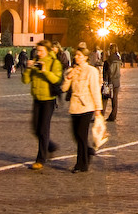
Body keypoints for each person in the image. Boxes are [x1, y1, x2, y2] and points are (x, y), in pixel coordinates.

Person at [60, 47, 103, 173]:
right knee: (76, 134)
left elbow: (95, 90)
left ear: (85, 57)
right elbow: (64, 88)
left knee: (81, 134)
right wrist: (68, 78)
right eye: (76, 55)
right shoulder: (72, 70)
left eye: (79, 55)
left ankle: (81, 164)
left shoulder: (91, 71)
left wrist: (98, 109)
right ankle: (88, 151)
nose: (76, 57)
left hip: (87, 106)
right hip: (74, 106)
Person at [22, 40, 63, 170]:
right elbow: (25, 80)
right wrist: (28, 69)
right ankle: (50, 146)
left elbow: (56, 79)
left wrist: (45, 71)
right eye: (37, 50)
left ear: (48, 51)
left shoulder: (54, 62)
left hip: (48, 99)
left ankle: (41, 159)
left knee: (43, 129)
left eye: (40, 51)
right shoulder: (34, 61)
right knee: (35, 128)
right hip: (37, 99)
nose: (38, 53)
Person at [103, 44, 122, 121]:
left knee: (104, 99)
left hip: (109, 82)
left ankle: (100, 116)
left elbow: (106, 73)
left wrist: (105, 82)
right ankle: (113, 116)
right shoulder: (118, 59)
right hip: (117, 81)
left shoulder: (108, 60)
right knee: (115, 99)